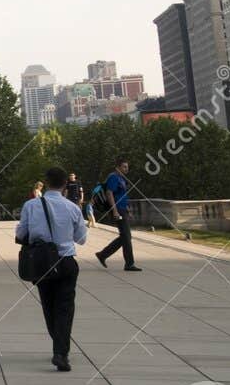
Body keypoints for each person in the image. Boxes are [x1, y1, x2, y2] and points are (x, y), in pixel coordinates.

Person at [17, 166, 88, 371]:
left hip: (41, 261)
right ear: (66, 184)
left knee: (48, 305)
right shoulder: (72, 208)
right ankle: (60, 352)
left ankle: (58, 345)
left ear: (46, 182)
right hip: (65, 260)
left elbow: (22, 233)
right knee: (65, 307)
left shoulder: (31, 205)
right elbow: (81, 239)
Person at [95, 157, 141, 271]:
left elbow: (122, 195)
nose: (127, 169)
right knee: (126, 236)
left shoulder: (121, 178)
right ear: (118, 167)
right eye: (124, 167)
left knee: (125, 236)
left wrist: (128, 209)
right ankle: (129, 264)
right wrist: (114, 210)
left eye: (127, 167)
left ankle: (103, 254)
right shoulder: (113, 177)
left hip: (122, 209)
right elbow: (109, 193)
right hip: (117, 210)